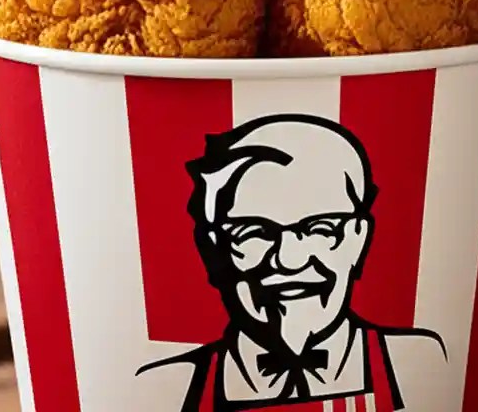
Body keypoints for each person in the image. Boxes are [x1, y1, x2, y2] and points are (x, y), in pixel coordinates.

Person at [139, 114, 447, 411]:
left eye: (320, 229)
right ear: (213, 248)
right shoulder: (173, 386)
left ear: (358, 239)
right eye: (254, 232)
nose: (289, 259)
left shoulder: (416, 361)